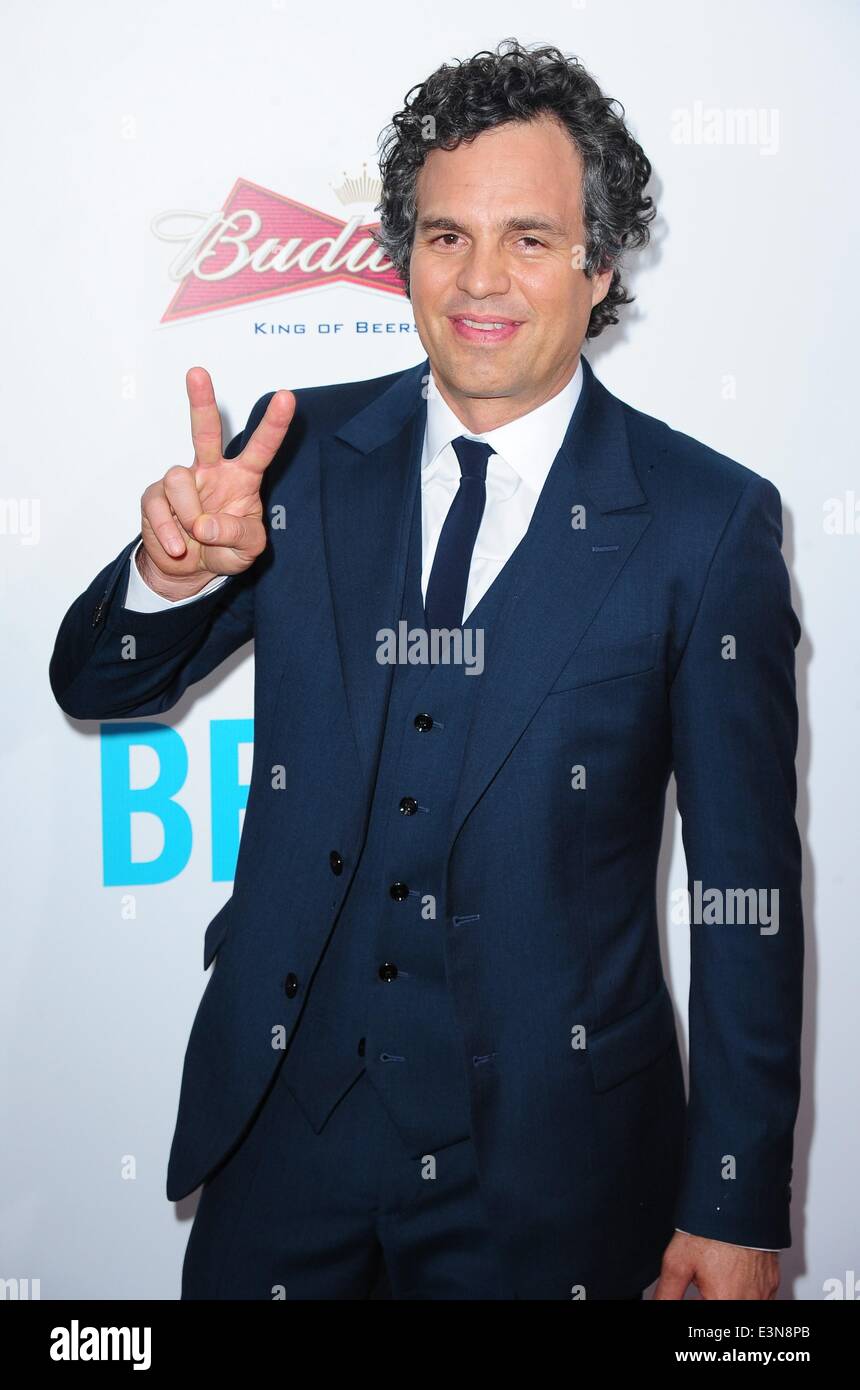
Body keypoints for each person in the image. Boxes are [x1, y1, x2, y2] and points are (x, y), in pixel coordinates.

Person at [49, 38, 803, 1300]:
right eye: (445, 236)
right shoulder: (294, 452)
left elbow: (743, 893)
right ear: (403, 254)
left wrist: (734, 1198)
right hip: (285, 1142)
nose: (479, 279)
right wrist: (169, 573)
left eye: (526, 236)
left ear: (596, 262)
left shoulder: (702, 522)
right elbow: (96, 682)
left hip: (552, 1177)